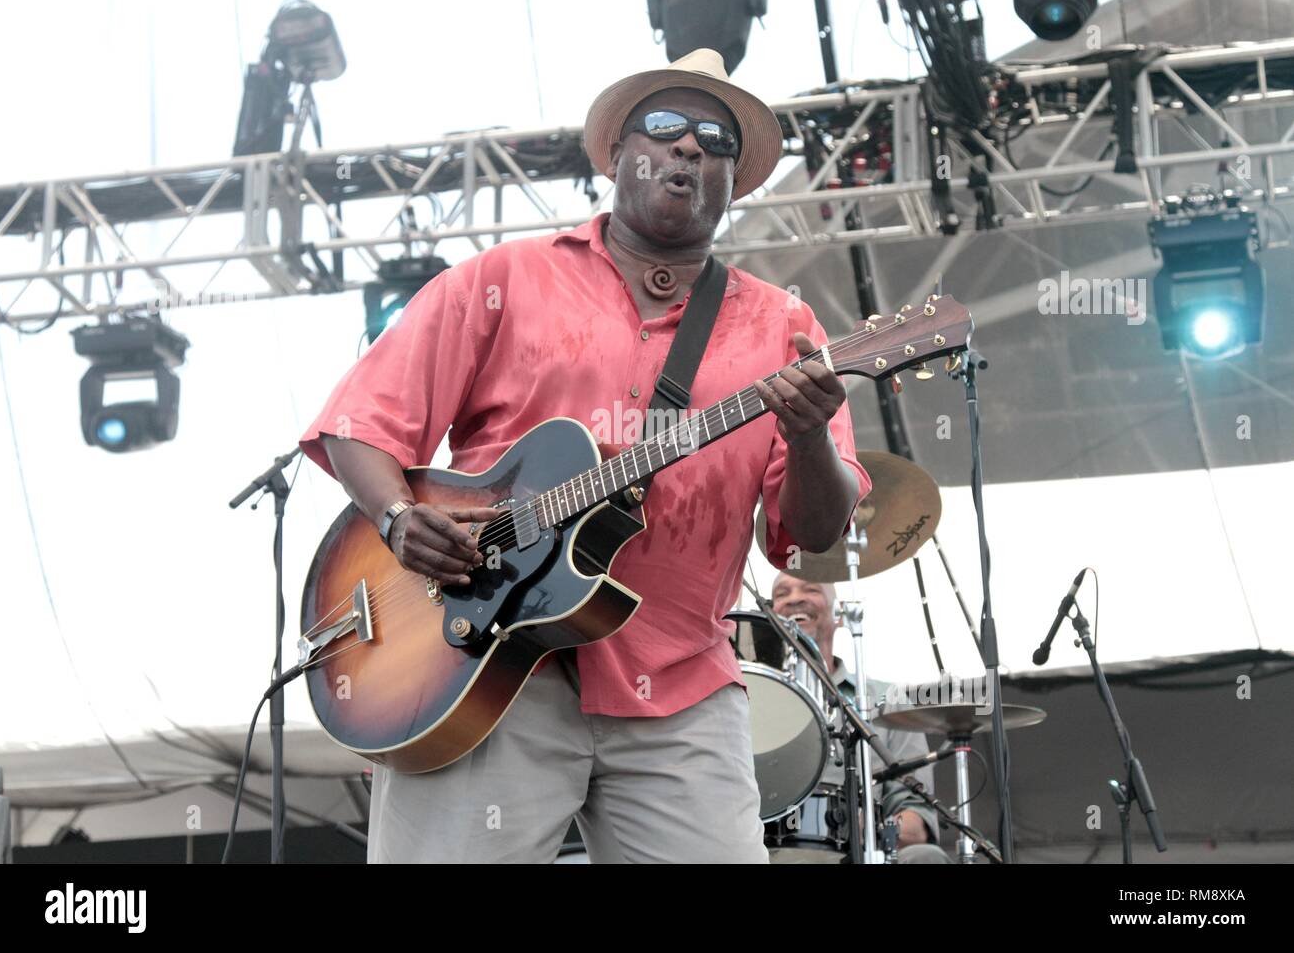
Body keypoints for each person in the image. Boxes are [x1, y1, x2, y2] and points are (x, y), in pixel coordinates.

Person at [298, 49, 872, 863]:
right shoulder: (505, 280)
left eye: (715, 139)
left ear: (732, 179)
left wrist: (811, 433)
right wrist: (397, 519)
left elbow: (813, 530)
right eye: (666, 128)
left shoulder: (784, 329)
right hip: (482, 660)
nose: (689, 148)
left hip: (682, 688)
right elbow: (362, 422)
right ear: (618, 154)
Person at [770, 572, 951, 863]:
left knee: (925, 857)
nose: (795, 598)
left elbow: (916, 822)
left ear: (840, 615)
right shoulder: (749, 701)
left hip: (866, 847)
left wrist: (858, 825)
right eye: (782, 593)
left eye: (810, 588)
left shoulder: (886, 699)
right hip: (771, 851)